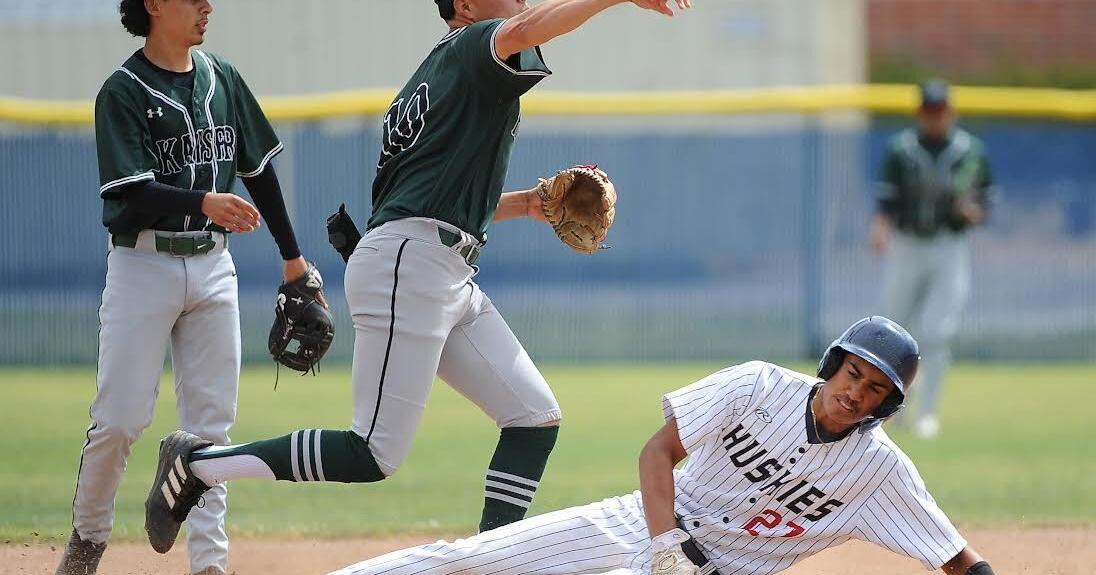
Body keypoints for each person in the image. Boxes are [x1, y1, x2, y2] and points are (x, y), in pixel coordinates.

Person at [141, 0, 694, 556]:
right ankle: (199, 464)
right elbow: (527, 28)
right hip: (415, 265)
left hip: (434, 265)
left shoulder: (438, 73)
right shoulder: (475, 45)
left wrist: (528, 203)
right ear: (466, 6)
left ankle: (492, 561)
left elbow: (426, 199)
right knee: (372, 453)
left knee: (534, 418)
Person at [323, 316, 997, 575]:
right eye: (853, 374)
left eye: (875, 389)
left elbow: (956, 557)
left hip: (715, 573)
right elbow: (657, 453)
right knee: (472, 561)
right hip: (641, 523)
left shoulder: (878, 471)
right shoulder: (758, 385)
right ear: (833, 365)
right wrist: (665, 544)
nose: (857, 393)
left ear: (886, 406)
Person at [55, 1, 320, 574]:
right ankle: (87, 543)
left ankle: (209, 564)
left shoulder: (223, 78)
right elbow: (130, 193)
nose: (206, 7)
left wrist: (293, 258)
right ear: (154, 4)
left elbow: (258, 174)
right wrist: (202, 201)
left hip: (213, 265)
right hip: (142, 266)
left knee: (211, 430)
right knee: (119, 420)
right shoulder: (123, 91)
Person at [869, 80, 996, 439]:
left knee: (937, 332)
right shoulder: (902, 148)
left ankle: (927, 413)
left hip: (948, 246)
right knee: (893, 330)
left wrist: (972, 211)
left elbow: (985, 202)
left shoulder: (969, 151)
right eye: (929, 110)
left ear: (950, 112)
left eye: (940, 110)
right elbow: (887, 200)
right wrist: (880, 228)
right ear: (919, 113)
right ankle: (892, 409)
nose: (935, 117)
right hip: (907, 243)